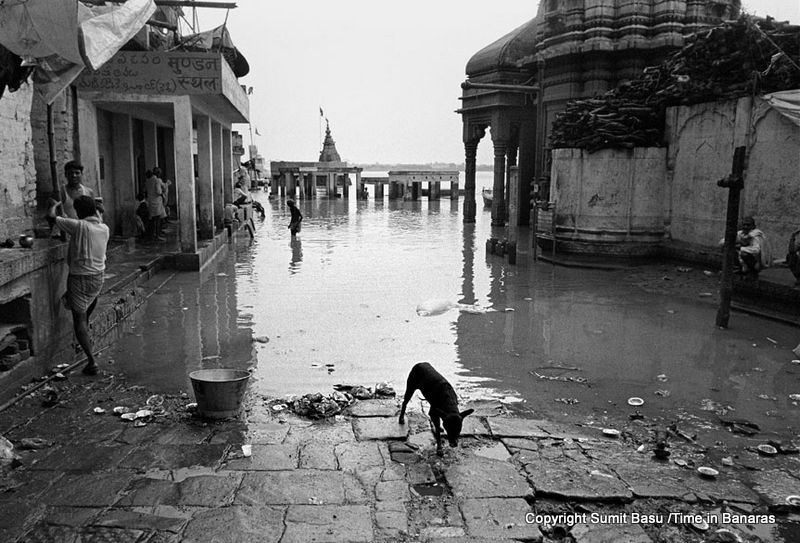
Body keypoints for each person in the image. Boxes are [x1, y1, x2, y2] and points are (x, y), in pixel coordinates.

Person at [49, 195, 109, 376]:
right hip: (98, 277)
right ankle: (85, 340)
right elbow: (96, 216)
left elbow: (51, 218)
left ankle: (91, 361)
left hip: (80, 277)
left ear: (79, 212)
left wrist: (54, 206)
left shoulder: (79, 226)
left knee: (79, 320)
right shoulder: (104, 228)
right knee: (85, 312)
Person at [145, 167, 167, 241]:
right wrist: (162, 193)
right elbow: (158, 191)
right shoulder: (156, 180)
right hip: (156, 202)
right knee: (157, 219)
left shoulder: (148, 180)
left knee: (153, 220)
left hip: (150, 201)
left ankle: (153, 234)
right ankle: (157, 235)